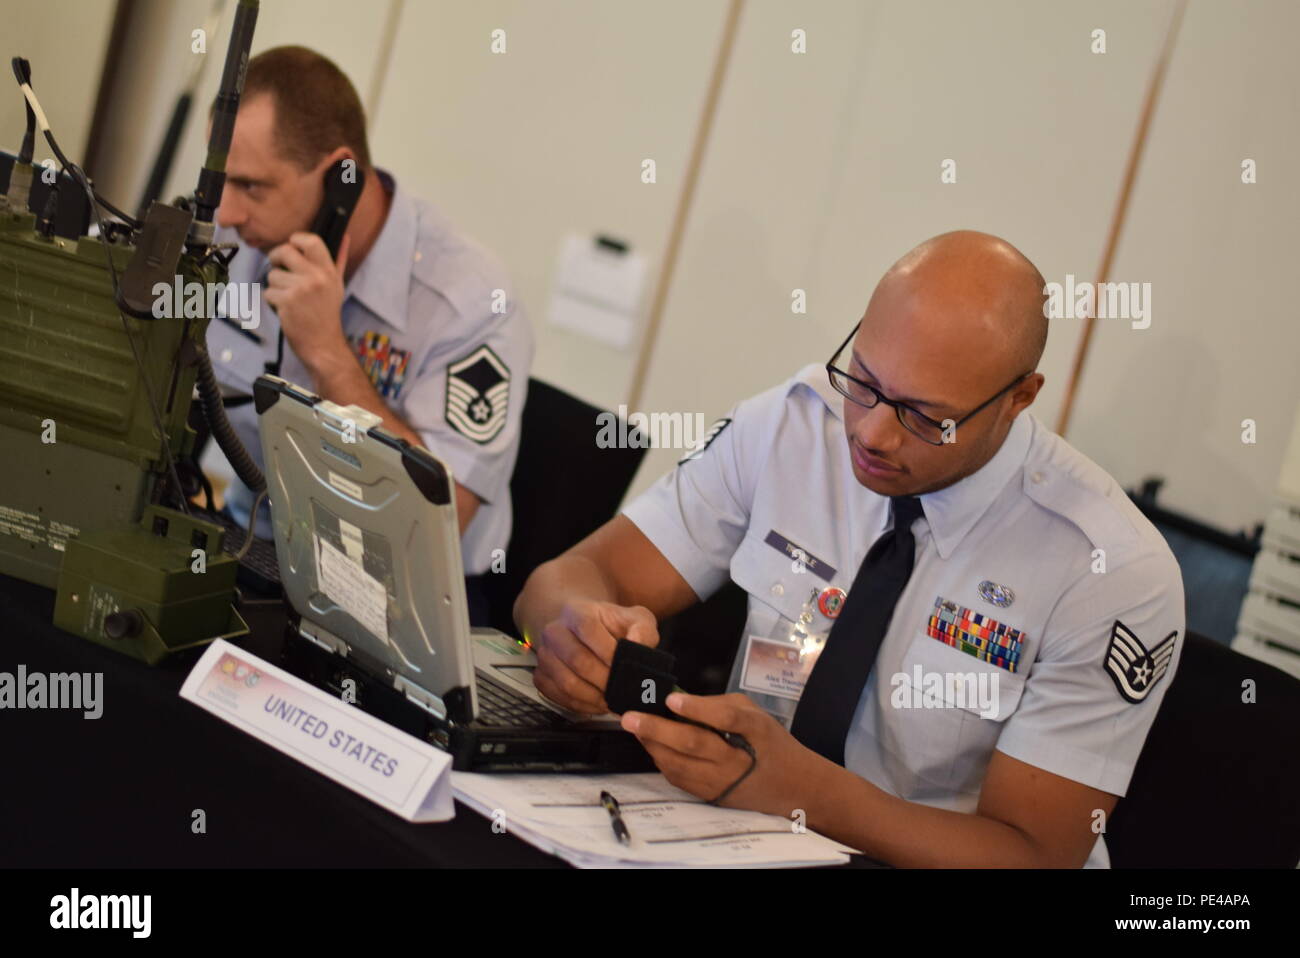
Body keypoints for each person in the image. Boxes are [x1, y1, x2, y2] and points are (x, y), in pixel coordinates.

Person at [513, 230, 1184, 868]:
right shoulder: (793, 426)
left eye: (925, 417)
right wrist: (574, 630)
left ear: (1019, 399)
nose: (871, 433)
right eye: (862, 379)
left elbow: (1033, 855)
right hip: (742, 835)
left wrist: (806, 794)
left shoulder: (1107, 568)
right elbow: (566, 578)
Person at [205, 46, 532, 621]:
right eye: (220, 182)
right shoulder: (240, 245)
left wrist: (328, 353)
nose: (226, 212)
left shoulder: (472, 301)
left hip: (402, 598)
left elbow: (440, 515)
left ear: (341, 176)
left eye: (252, 187)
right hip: (252, 544)